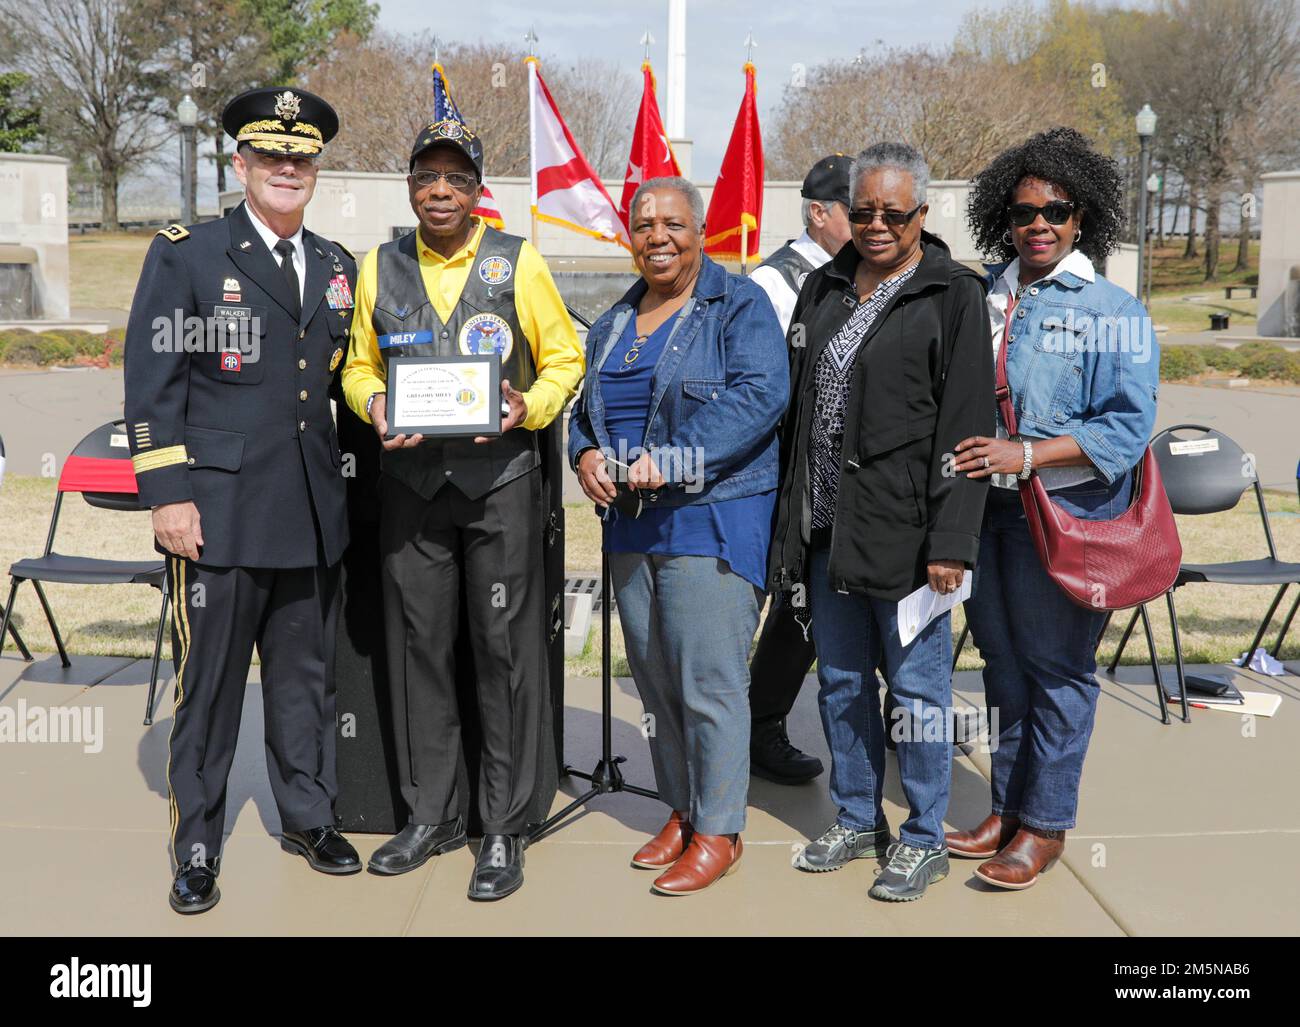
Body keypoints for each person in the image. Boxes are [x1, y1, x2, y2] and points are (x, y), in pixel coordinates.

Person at [124, 87, 361, 915]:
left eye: (301, 158)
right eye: (272, 156)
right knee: (211, 686)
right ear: (243, 164)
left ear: (315, 170)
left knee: (305, 682)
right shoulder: (189, 253)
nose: (288, 168)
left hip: (307, 513)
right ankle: (197, 844)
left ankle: (309, 815)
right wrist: (167, 496)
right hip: (215, 517)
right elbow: (152, 387)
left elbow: (349, 390)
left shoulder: (337, 267)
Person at [341, 118, 584, 901]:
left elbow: (564, 359)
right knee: (420, 650)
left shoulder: (518, 261)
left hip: (500, 486)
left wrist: (531, 407)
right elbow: (356, 365)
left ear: (480, 191)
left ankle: (505, 826)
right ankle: (431, 814)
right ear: (410, 186)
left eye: (456, 178)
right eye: (425, 177)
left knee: (504, 649)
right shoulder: (380, 266)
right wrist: (375, 402)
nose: (439, 190)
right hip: (414, 489)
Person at [768, 143, 994, 902]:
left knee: (919, 695)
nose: (874, 225)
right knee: (838, 683)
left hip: (910, 539)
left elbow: (968, 424)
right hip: (830, 530)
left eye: (892, 213)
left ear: (921, 216)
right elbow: (798, 411)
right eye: (862, 210)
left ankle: (925, 835)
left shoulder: (951, 292)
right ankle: (858, 816)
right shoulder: (824, 288)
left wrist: (953, 541)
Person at [947, 126, 1159, 889]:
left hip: (1065, 517)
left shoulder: (1110, 307)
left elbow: (1127, 428)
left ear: (1082, 219)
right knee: (1001, 668)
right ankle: (1006, 809)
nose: (1038, 222)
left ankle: (1046, 824)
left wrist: (1028, 454)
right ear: (1003, 217)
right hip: (988, 515)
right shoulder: (984, 295)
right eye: (1023, 209)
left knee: (1058, 671)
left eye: (1056, 210)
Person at [569, 177, 789, 896]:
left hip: (710, 519)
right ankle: (681, 807)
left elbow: (762, 394)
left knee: (707, 680)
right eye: (643, 224)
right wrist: (587, 455)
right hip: (632, 528)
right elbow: (585, 411)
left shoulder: (738, 304)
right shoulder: (612, 321)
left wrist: (672, 458)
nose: (657, 235)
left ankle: (720, 827)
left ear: (701, 231)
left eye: (672, 223)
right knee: (656, 683)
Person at [745, 153, 853, 786]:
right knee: (785, 598)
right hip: (783, 472)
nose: (870, 221)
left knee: (821, 597)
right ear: (818, 213)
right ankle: (757, 729)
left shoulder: (861, 275)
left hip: (842, 473)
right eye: (854, 210)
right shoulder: (773, 283)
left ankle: (904, 717)